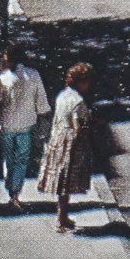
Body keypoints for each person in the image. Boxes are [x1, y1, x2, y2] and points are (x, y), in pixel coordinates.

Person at [38, 61, 96, 234]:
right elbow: (78, 125)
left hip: (58, 138)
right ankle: (61, 219)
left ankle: (63, 216)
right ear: (80, 82)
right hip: (71, 142)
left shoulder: (62, 96)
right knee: (67, 181)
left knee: (61, 180)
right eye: (87, 81)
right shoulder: (78, 101)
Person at [0, 45, 51, 210]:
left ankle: (10, 186)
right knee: (22, 159)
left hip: (6, 124)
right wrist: (43, 115)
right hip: (26, 124)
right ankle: (15, 192)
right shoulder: (33, 75)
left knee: (8, 158)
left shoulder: (3, 77)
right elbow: (41, 101)